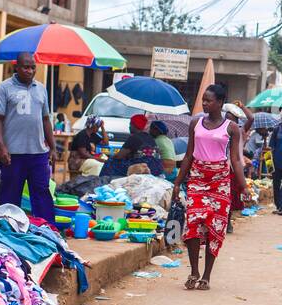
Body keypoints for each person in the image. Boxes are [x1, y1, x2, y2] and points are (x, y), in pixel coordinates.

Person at [176, 83, 248, 290]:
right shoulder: (195, 123)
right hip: (197, 178)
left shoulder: (232, 128)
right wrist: (178, 182)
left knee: (215, 227)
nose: (204, 103)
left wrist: (243, 187)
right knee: (192, 224)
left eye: (208, 100)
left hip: (220, 181)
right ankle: (193, 271)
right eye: (203, 100)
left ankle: (206, 275)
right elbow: (189, 154)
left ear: (220, 103)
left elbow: (235, 160)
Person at [0, 52, 57, 225]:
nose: (30, 71)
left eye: (33, 67)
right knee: (10, 195)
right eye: (26, 67)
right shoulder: (4, 88)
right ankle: (8, 229)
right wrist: (1, 148)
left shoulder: (41, 89)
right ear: (17, 68)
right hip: (13, 154)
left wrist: (53, 147)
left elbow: (45, 119)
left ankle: (48, 230)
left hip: (38, 153)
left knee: (42, 193)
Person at [105, 113, 161, 178]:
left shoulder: (134, 138)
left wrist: (109, 158)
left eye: (130, 124)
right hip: (157, 169)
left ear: (134, 125)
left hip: (142, 168)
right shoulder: (150, 137)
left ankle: (105, 182)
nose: (129, 126)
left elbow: (119, 156)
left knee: (110, 163)